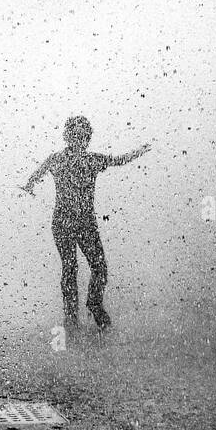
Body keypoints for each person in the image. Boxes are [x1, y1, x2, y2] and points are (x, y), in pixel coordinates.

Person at [20, 115, 150, 330]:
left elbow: (34, 177)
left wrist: (28, 187)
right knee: (85, 267)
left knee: (81, 267)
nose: (80, 139)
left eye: (81, 136)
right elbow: (119, 160)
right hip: (74, 222)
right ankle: (83, 310)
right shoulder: (85, 160)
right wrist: (138, 152)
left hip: (70, 222)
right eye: (77, 135)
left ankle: (81, 310)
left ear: (80, 137)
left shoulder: (63, 159)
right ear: (73, 137)